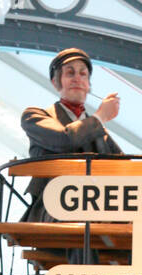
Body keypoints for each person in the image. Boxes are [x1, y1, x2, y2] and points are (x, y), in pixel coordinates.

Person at [21, 48, 123, 223]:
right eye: (70, 73)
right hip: (53, 209)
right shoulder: (34, 116)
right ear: (56, 82)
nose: (78, 78)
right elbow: (64, 140)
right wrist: (100, 117)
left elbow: (124, 167)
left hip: (97, 211)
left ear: (88, 85)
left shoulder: (99, 131)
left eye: (83, 74)